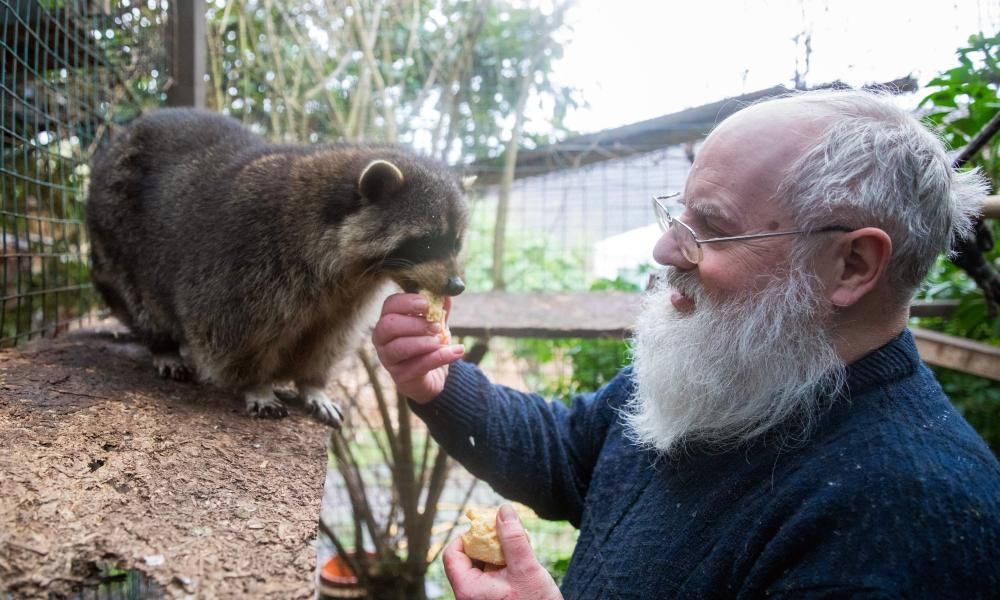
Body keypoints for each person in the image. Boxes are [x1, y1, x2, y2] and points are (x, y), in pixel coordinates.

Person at [372, 89, 1000, 599]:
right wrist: (438, 383)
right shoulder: (739, 372)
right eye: (681, 213)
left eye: (714, 228)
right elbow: (570, 455)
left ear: (852, 265)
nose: (666, 249)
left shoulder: (907, 521)